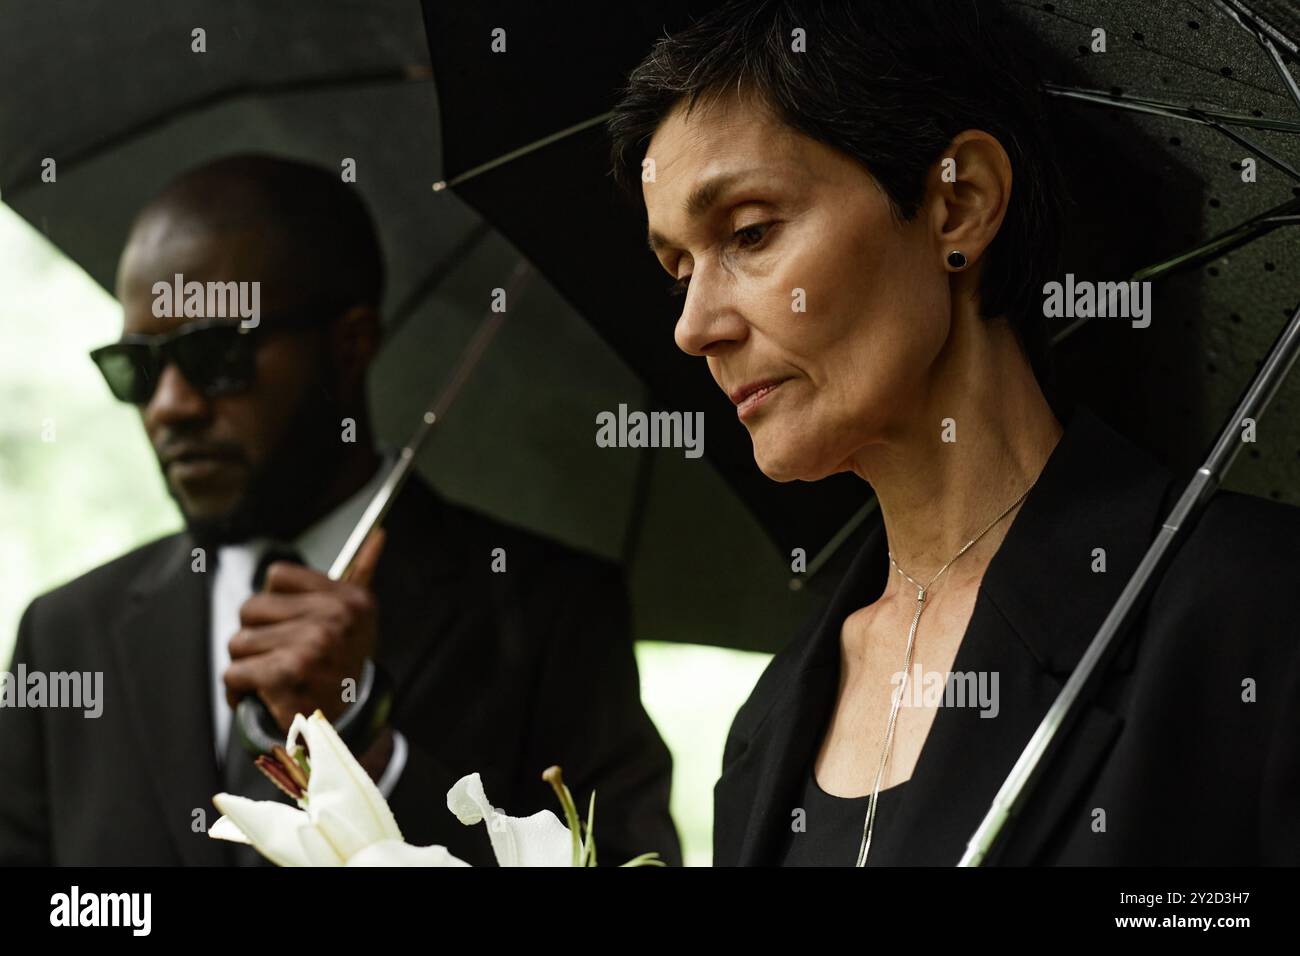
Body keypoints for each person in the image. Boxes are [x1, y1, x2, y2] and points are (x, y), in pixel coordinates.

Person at [607, 0, 1300, 865]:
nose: (693, 326)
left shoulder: (1251, 615)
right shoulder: (769, 722)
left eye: (749, 232)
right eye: (679, 269)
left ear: (958, 205)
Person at [0, 154, 681, 867]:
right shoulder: (66, 636)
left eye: (213, 353)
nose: (170, 405)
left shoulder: (551, 611)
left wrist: (365, 746)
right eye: (135, 367)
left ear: (350, 344)